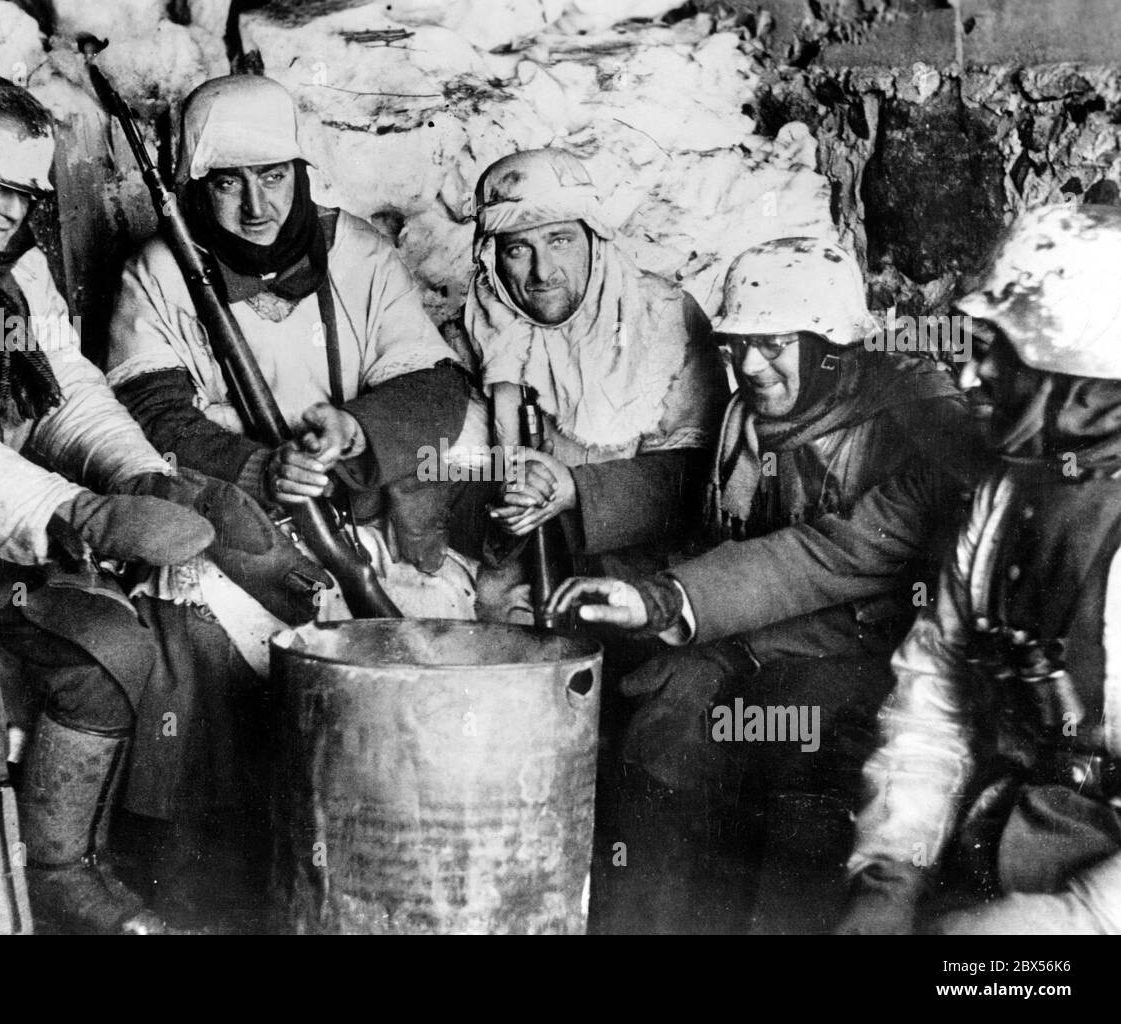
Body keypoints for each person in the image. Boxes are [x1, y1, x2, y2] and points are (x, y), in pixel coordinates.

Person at [0, 71, 285, 935]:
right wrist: (77, 515)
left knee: (111, 642)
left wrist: (144, 477)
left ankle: (66, 868)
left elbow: (65, 393)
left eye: (23, 193)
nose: (7, 210)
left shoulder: (13, 275)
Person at [552, 237, 971, 933]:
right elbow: (701, 500)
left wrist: (669, 599)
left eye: (773, 343)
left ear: (831, 343)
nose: (749, 365)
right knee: (661, 702)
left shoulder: (915, 422)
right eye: (737, 345)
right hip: (758, 631)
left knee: (789, 734)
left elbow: (831, 553)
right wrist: (578, 492)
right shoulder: (754, 412)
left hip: (877, 660)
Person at [840, 204, 1121, 935]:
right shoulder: (1003, 499)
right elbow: (936, 695)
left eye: (999, 353)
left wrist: (1075, 919)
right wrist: (890, 870)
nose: (965, 374)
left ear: (1086, 382)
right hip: (1006, 848)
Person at [105, 73, 476, 619]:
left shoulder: (360, 251)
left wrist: (355, 430)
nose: (257, 207)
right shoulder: (158, 271)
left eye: (273, 177)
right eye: (228, 183)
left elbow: (435, 384)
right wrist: (259, 469)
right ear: (197, 188)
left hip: (363, 511)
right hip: (234, 519)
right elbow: (153, 417)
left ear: (299, 175)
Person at [449, 148, 727, 622]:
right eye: (519, 249)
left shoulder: (662, 316)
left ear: (594, 240)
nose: (542, 272)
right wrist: (504, 495)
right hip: (522, 564)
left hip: (644, 564)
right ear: (493, 256)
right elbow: (444, 476)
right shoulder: (476, 330)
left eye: (560, 240)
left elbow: (701, 480)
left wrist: (575, 490)